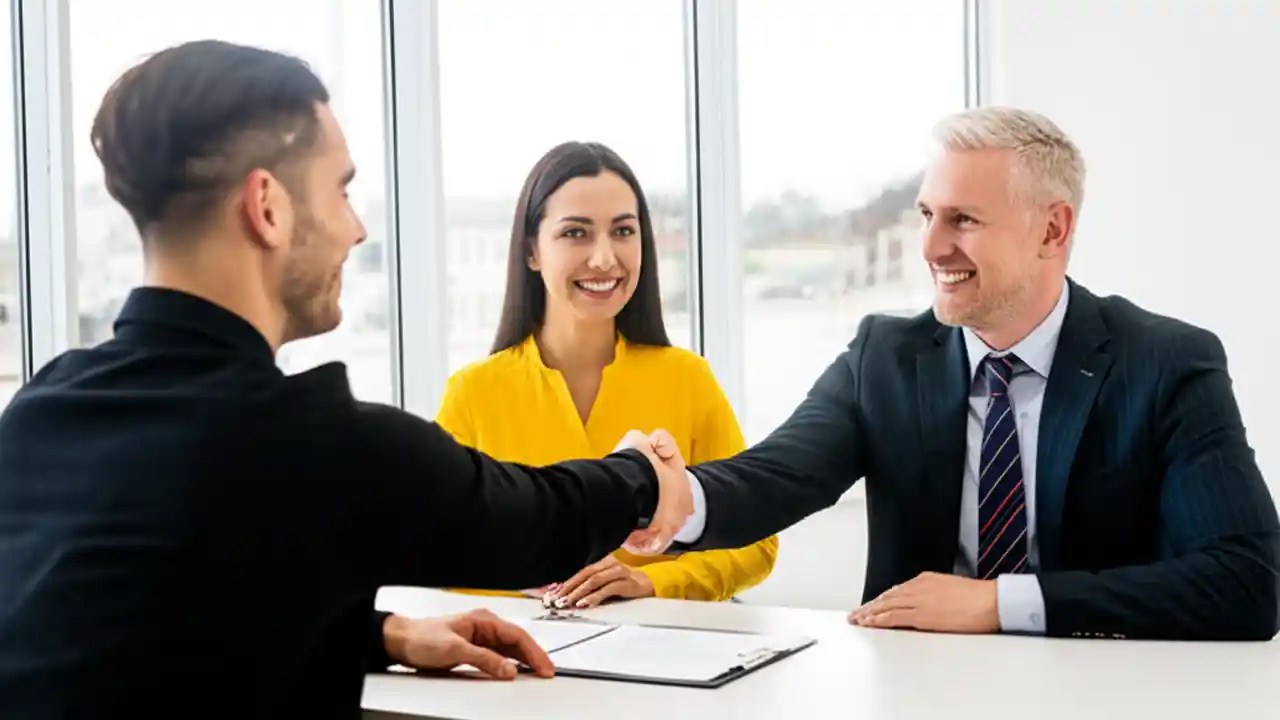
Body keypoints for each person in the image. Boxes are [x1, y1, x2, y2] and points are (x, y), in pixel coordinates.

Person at [0, 41, 693, 718]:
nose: (357, 229)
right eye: (341, 190)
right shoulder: (312, 445)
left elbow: (152, 618)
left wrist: (383, 633)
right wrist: (638, 473)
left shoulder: (42, 411)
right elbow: (539, 519)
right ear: (267, 207)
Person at [626, 106, 1280, 641]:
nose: (932, 247)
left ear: (1052, 230)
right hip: (919, 694)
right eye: (927, 215)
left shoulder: (1166, 364)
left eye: (963, 220)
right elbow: (778, 476)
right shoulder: (884, 355)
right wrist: (680, 500)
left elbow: (1246, 581)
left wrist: (999, 603)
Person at [437, 142, 777, 609]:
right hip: (527, 660)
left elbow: (756, 541)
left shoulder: (687, 379)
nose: (604, 258)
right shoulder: (473, 394)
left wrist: (652, 584)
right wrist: (534, 576)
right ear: (531, 251)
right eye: (576, 233)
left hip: (667, 655)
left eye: (622, 231)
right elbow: (439, 551)